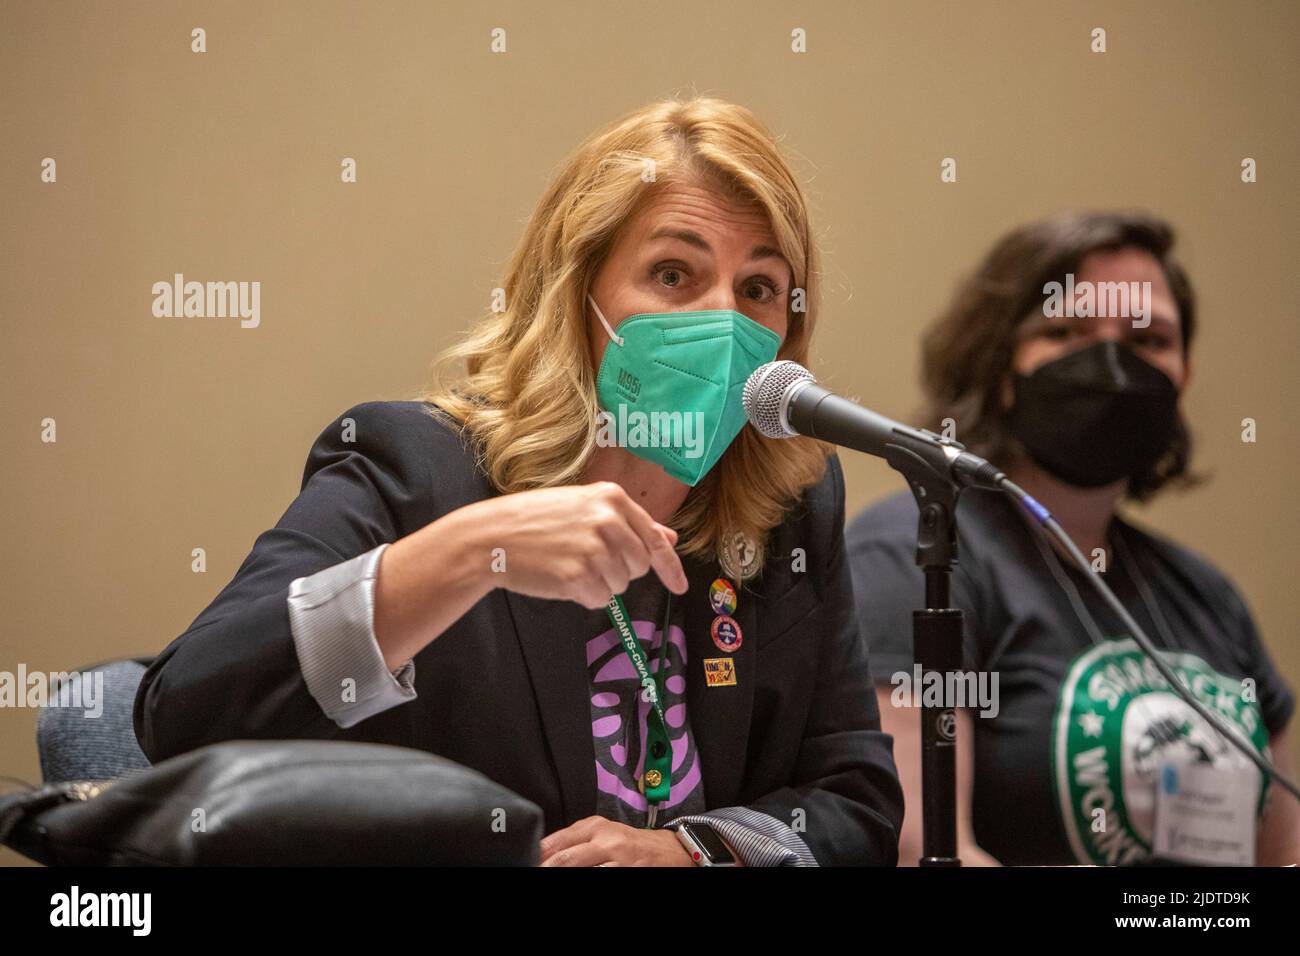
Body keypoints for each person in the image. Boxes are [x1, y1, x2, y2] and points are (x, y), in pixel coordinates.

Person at [133, 95, 904, 867]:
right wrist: (470, 551)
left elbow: (854, 802)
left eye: (758, 290)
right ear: (577, 293)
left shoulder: (786, 509)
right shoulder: (415, 469)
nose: (720, 318)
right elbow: (187, 719)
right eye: (674, 273)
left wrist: (694, 853)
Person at [846, 211, 1300, 866]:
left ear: (1183, 379)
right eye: (1068, 332)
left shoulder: (1209, 596)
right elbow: (924, 847)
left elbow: (1280, 853)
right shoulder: (918, 556)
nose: (1113, 366)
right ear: (1003, 370)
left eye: (1147, 340)